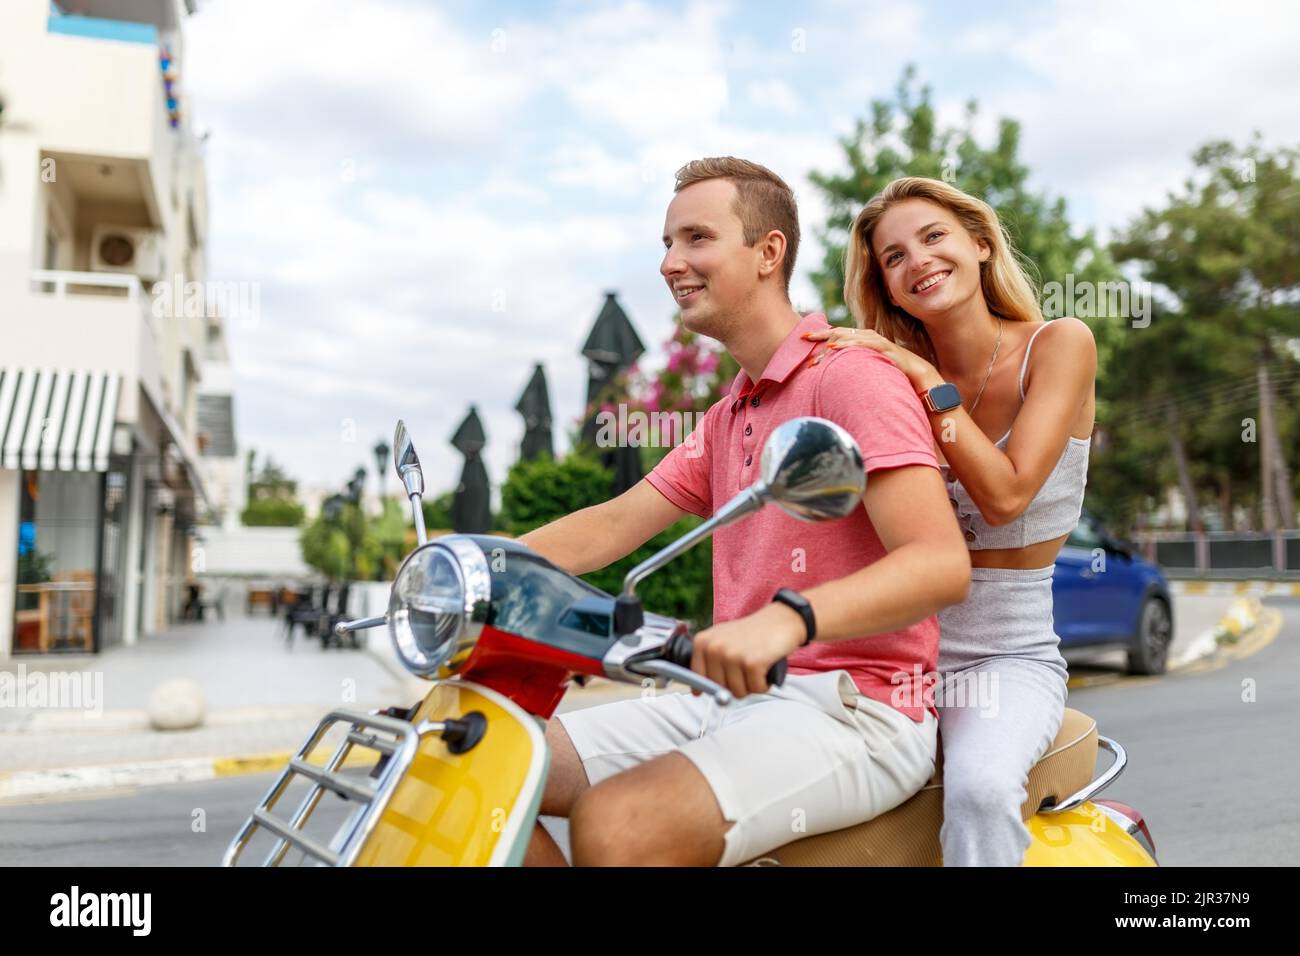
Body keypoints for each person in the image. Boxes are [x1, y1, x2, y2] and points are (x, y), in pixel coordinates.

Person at [518, 158, 970, 867]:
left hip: (855, 706)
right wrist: (467, 570)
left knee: (621, 821)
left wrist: (786, 620)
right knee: (492, 763)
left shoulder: (848, 376)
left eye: (696, 238)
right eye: (666, 244)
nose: (672, 263)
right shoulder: (731, 413)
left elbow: (940, 563)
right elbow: (611, 524)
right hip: (723, 695)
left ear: (768, 252)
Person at [803, 176, 1096, 866]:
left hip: (1005, 656)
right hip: (893, 649)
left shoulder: (1059, 345)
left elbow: (1007, 495)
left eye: (933, 237)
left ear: (982, 244)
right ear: (887, 286)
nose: (918, 260)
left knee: (980, 791)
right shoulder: (881, 383)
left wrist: (917, 376)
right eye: (894, 257)